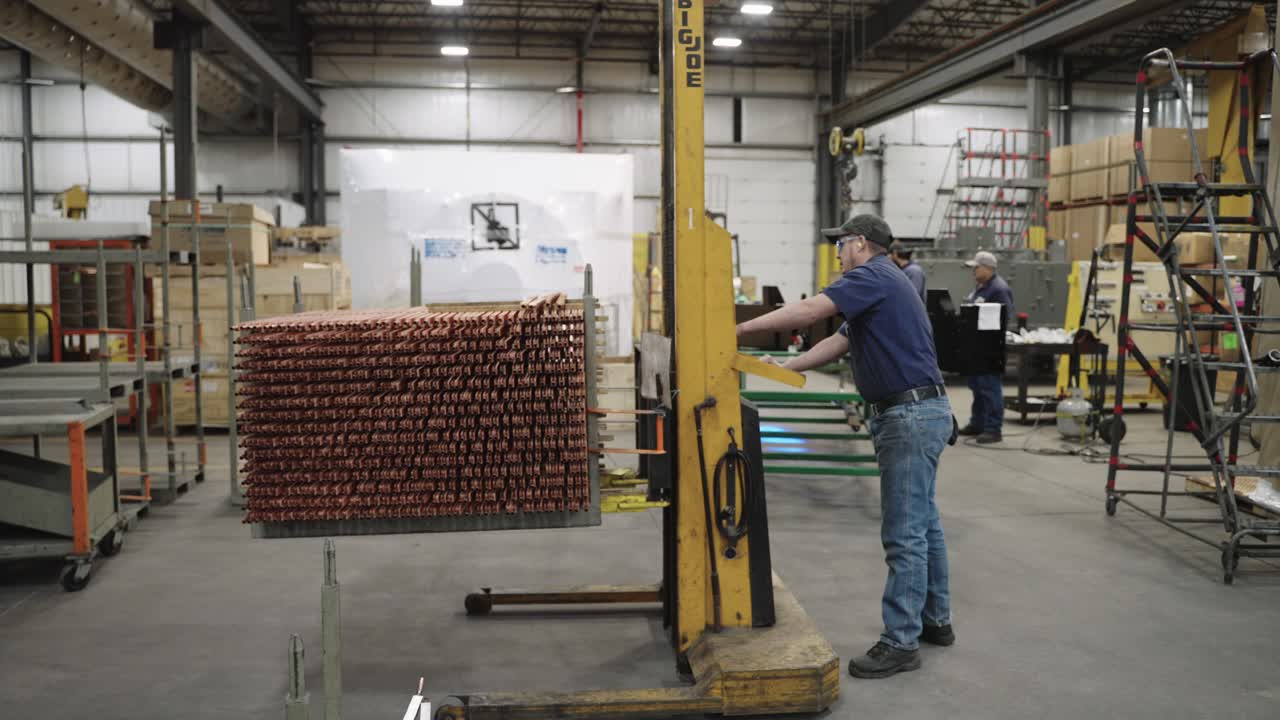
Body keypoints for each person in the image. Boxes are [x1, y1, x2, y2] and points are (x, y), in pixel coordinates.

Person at [735, 213, 954, 680]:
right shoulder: (885, 286)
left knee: (905, 532)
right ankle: (935, 620)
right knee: (924, 523)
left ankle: (901, 641)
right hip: (922, 412)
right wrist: (787, 366)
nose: (836, 252)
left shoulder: (871, 275)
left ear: (860, 244)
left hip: (909, 416)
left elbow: (812, 311)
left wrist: (735, 329)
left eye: (840, 244)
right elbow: (838, 341)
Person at [958, 251, 1014, 444]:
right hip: (977, 347)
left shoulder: (999, 289)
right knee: (978, 387)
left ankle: (993, 428)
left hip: (990, 349)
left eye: (976, 267)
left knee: (990, 388)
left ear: (988, 268)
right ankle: (978, 423)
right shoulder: (981, 288)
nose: (973, 270)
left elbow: (1003, 318)